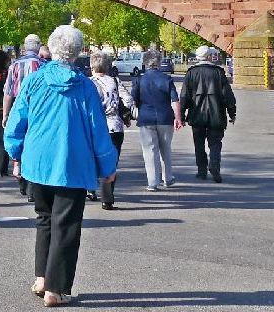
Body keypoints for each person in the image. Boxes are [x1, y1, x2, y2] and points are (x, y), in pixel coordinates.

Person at [4, 25, 118, 308]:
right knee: (66, 225)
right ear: (78, 52)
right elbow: (98, 131)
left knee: (44, 218)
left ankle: (41, 277)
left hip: (37, 161)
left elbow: (17, 122)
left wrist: (16, 153)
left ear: (52, 48)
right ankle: (56, 288)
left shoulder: (34, 81)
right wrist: (107, 166)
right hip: (72, 163)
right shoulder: (85, 86)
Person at [180, 45, 237, 182]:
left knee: (198, 143)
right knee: (215, 142)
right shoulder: (218, 72)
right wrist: (232, 112)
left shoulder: (191, 73)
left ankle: (202, 171)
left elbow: (184, 96)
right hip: (216, 113)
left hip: (197, 113)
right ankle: (214, 165)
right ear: (209, 56)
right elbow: (227, 95)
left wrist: (181, 115)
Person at [131, 50, 182, 191]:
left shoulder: (139, 80)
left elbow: (133, 100)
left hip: (146, 118)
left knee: (149, 150)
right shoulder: (166, 79)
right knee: (166, 149)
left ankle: (152, 182)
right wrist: (178, 118)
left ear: (145, 62)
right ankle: (168, 178)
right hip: (165, 117)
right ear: (159, 62)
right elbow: (175, 100)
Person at [88, 51, 133, 209]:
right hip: (114, 126)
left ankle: (90, 189)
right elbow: (128, 100)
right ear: (107, 67)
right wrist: (124, 112)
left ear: (92, 67)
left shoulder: (88, 83)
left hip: (94, 126)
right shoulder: (115, 81)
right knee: (111, 161)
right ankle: (107, 198)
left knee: (92, 158)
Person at [4, 34, 44, 199]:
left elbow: (8, 92)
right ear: (38, 47)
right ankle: (31, 187)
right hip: (37, 109)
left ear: (24, 47)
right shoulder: (42, 65)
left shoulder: (15, 65)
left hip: (18, 107)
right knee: (33, 143)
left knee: (19, 140)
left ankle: (21, 178)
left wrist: (6, 114)